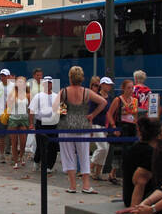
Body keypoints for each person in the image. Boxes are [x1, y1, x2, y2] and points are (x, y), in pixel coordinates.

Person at [57, 66, 105, 194]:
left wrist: (64, 111)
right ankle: (86, 185)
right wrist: (92, 115)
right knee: (84, 154)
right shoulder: (86, 92)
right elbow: (103, 102)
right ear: (82, 78)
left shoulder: (64, 92)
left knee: (68, 155)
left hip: (66, 125)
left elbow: (54, 107)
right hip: (83, 125)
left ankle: (72, 185)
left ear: (70, 77)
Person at [122, 116, 159, 208]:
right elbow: (141, 181)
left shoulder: (132, 149)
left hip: (128, 196)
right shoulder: (150, 152)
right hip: (142, 199)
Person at [106, 79, 138, 185]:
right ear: (123, 88)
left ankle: (121, 173)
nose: (131, 90)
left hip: (131, 127)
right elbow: (109, 114)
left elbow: (136, 115)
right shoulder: (118, 100)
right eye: (128, 88)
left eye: (132, 88)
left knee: (129, 151)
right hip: (121, 127)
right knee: (119, 151)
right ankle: (113, 172)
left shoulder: (134, 100)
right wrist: (114, 127)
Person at [28, 76, 60, 172]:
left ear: (52, 84)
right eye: (46, 83)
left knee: (53, 146)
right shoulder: (38, 96)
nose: (48, 85)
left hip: (53, 124)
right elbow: (31, 110)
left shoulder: (56, 96)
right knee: (41, 144)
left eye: (49, 83)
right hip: (41, 123)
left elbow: (62, 110)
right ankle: (37, 161)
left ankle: (49, 166)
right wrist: (31, 123)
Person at [88, 77, 115, 181]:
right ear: (102, 85)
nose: (109, 87)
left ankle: (98, 172)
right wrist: (89, 127)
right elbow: (90, 112)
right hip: (96, 124)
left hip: (105, 125)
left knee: (106, 149)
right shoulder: (96, 97)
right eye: (107, 84)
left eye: (110, 85)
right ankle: (90, 167)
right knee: (102, 147)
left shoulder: (110, 98)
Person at [6, 74, 30, 168]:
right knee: (14, 141)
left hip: (24, 119)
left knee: (23, 141)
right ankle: (15, 161)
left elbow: (30, 109)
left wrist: (31, 122)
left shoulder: (28, 95)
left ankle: (22, 156)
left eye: (22, 82)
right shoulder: (12, 94)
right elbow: (8, 106)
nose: (20, 84)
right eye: (18, 82)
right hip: (13, 119)